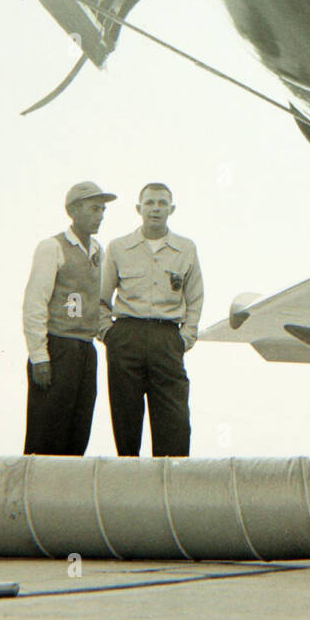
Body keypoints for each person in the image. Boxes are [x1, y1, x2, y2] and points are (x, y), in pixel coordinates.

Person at [99, 182, 203, 457]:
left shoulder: (186, 248)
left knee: (175, 424)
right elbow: (101, 297)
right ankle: (130, 491)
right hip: (126, 337)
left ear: (172, 209)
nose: (155, 209)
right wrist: (108, 334)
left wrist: (185, 338)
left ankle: (170, 491)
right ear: (138, 208)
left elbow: (195, 298)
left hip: (167, 338)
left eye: (161, 203)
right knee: (126, 422)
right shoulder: (119, 247)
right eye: (149, 203)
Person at [23, 181, 116, 455]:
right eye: (94, 209)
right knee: (47, 432)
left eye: (102, 210)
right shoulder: (52, 247)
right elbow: (34, 303)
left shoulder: (98, 250)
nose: (100, 215)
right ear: (73, 210)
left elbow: (98, 302)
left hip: (86, 350)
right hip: (58, 347)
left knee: (78, 430)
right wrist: (39, 356)